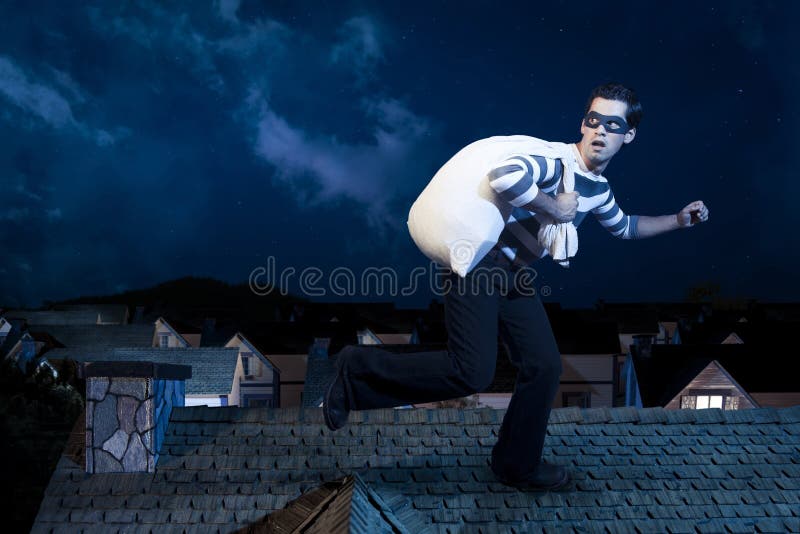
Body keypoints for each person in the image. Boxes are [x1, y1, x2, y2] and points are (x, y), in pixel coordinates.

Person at [323, 83, 709, 491]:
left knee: (544, 366)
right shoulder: (555, 162)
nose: (600, 130)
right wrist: (555, 207)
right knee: (472, 372)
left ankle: (515, 464)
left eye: (612, 124)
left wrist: (677, 221)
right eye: (594, 120)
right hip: (477, 263)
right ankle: (357, 369)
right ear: (583, 124)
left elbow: (626, 226)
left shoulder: (599, 190)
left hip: (513, 274)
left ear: (628, 135)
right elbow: (504, 175)